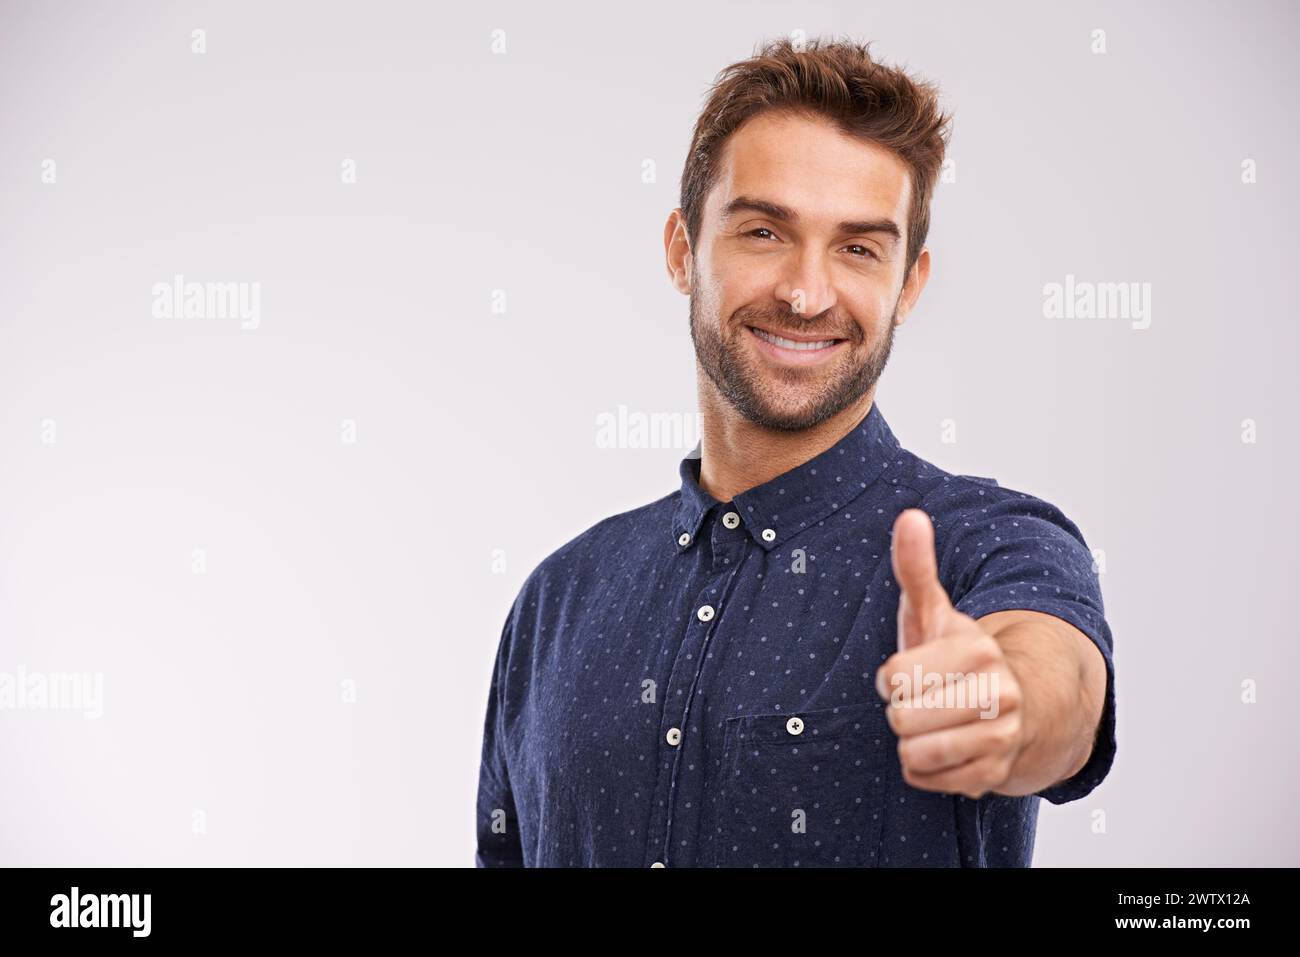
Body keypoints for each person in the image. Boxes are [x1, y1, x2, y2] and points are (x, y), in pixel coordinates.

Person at [476, 36, 1115, 867]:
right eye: (764, 231)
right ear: (682, 250)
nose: (806, 293)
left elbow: (1058, 686)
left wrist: (1006, 707)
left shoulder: (986, 542)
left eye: (857, 248)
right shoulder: (556, 600)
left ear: (908, 284)